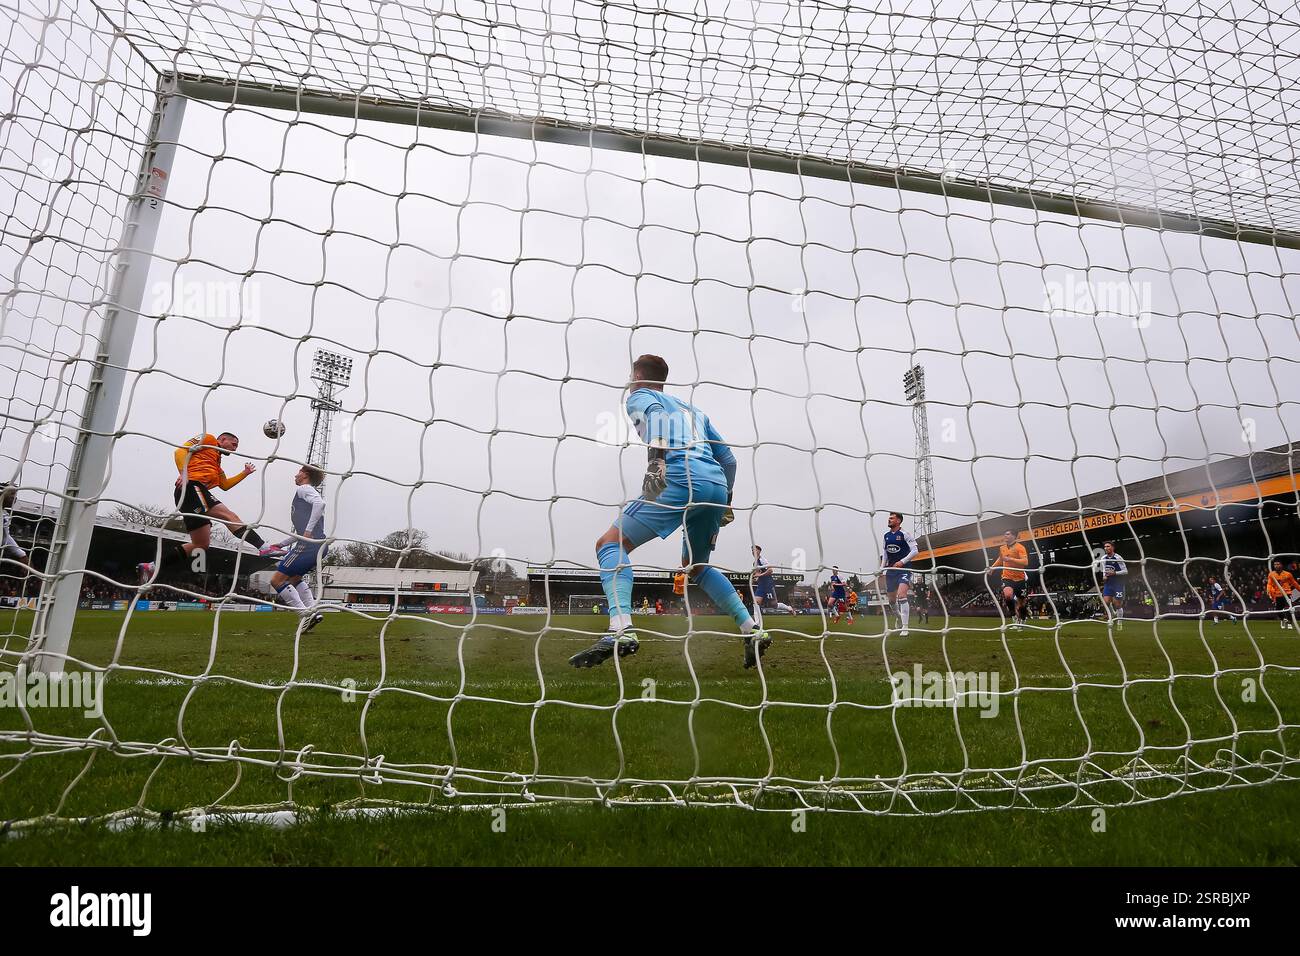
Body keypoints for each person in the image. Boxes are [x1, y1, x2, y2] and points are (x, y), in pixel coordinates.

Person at [569, 354, 770, 669]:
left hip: (677, 476)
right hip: (715, 484)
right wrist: (726, 499)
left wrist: (656, 465)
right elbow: (729, 459)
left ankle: (620, 629)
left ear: (637, 374)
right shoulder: (694, 410)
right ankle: (751, 629)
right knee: (697, 566)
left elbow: (657, 418)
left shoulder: (640, 396)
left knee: (610, 543)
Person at [169, 431, 267, 565]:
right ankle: (263, 547)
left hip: (193, 494)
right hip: (191, 487)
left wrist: (245, 473)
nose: (235, 449)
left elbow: (225, 485)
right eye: (233, 444)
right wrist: (184, 473)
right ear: (223, 439)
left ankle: (152, 566)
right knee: (229, 516)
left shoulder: (216, 464)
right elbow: (180, 451)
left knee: (201, 544)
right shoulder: (208, 439)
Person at [265, 464, 328, 633]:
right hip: (319, 545)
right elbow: (301, 532)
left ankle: (304, 615)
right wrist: (282, 544)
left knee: (276, 581)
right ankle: (313, 611)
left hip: (308, 546)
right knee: (293, 579)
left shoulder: (304, 489)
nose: (296, 475)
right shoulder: (305, 493)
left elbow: (320, 504)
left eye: (299, 472)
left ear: (305, 474)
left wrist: (307, 533)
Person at [880, 511, 918, 635]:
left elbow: (915, 551)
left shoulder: (905, 534)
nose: (889, 520)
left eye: (892, 518)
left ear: (898, 521)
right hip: (891, 571)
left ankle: (905, 627)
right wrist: (881, 568)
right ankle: (899, 617)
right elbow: (885, 554)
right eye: (889, 518)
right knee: (891, 601)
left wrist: (902, 561)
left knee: (902, 596)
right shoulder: (886, 535)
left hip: (904, 569)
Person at [990, 530, 1029, 629]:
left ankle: (1023, 619)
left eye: (1007, 534)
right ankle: (1014, 617)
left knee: (1022, 604)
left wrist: (1011, 559)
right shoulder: (1002, 548)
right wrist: (992, 568)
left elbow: (1025, 562)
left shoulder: (1020, 547)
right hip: (1007, 577)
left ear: (1014, 536)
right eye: (1005, 534)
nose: (1005, 536)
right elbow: (1000, 559)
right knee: (1007, 595)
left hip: (1020, 579)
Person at [750, 545, 794, 624]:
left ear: (759, 551)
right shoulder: (754, 563)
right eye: (752, 550)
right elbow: (757, 574)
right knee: (756, 602)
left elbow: (770, 570)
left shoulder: (763, 560)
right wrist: (755, 578)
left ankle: (788, 608)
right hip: (761, 585)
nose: (753, 552)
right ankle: (757, 624)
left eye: (755, 550)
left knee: (774, 605)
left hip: (768, 585)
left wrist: (759, 575)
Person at [1098, 541, 1128, 630]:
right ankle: (1112, 617)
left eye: (1108, 546)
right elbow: (1104, 569)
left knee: (1117, 604)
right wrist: (1104, 576)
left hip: (1118, 583)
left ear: (1112, 548)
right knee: (1106, 602)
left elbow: (1125, 571)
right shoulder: (1103, 558)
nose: (1106, 548)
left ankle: (1119, 623)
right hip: (1108, 583)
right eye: (1105, 547)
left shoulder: (1118, 557)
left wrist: (1115, 573)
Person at [1266, 560, 1298, 630]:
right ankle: (1283, 619)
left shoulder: (1288, 574)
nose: (1276, 566)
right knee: (1278, 610)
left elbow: (1294, 583)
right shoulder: (1271, 574)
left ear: (1281, 565)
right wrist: (1268, 590)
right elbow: (1269, 583)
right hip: (1277, 594)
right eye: (1275, 564)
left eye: (1278, 564)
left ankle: (1289, 623)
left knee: (1289, 608)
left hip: (1287, 593)